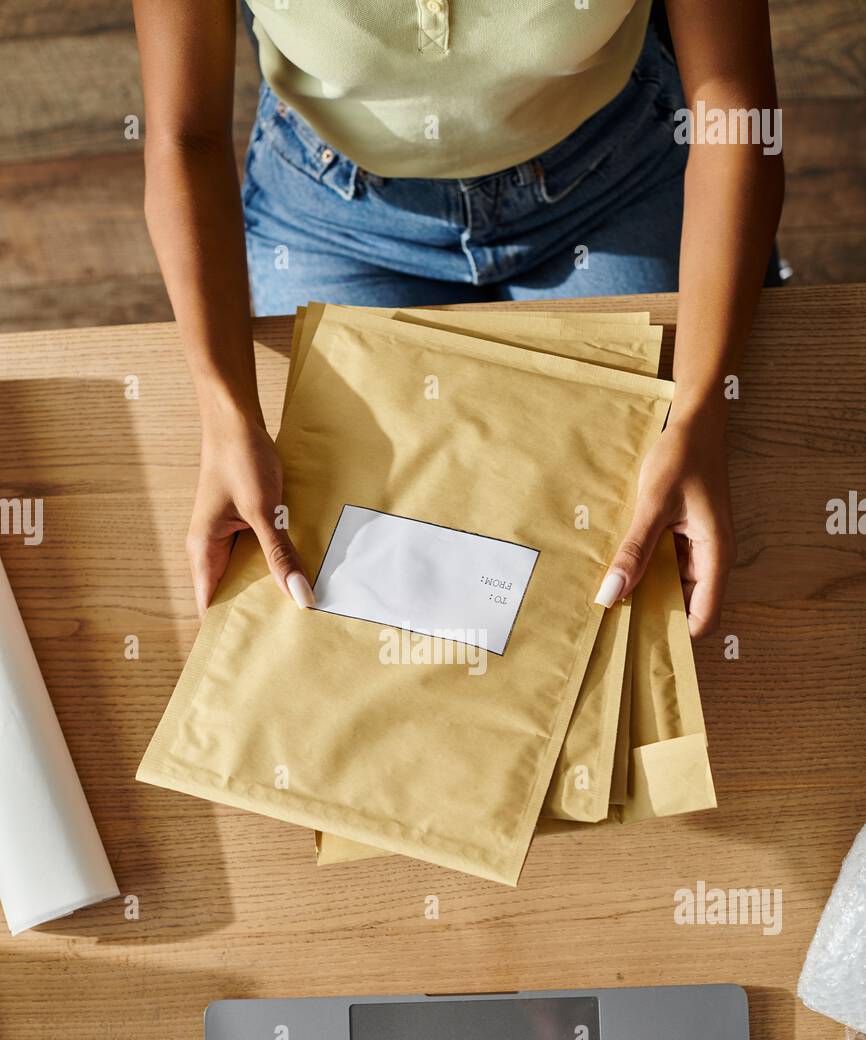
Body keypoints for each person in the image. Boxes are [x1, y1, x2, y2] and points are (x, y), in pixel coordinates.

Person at [133, 1, 784, 634]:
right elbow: (184, 135)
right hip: (335, 209)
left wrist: (700, 407)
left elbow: (737, 114)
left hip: (615, 174)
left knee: (638, 529)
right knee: (341, 563)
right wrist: (224, 409)